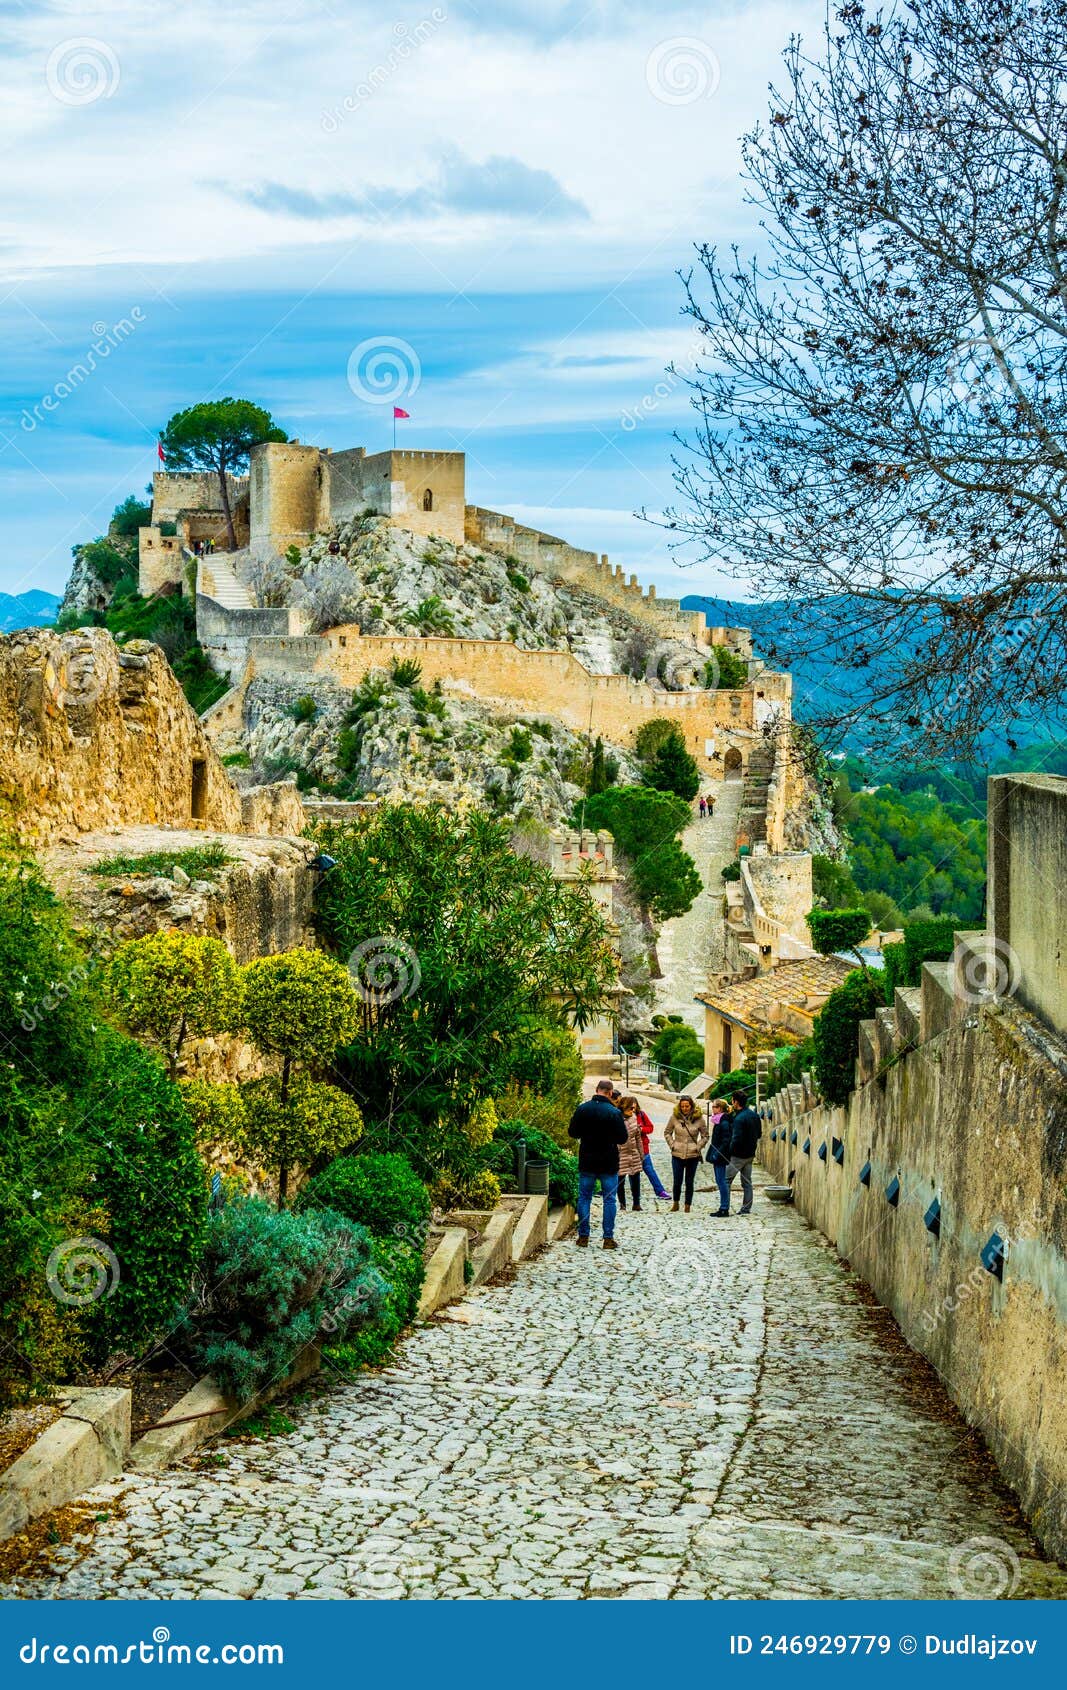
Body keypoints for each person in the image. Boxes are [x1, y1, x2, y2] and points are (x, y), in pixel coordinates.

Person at [568, 1079, 627, 1249]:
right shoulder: (614, 1112)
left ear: (596, 1090)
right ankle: (608, 1238)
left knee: (584, 1197)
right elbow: (622, 1138)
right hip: (608, 1161)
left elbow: (573, 1132)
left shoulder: (583, 1109)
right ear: (610, 1092)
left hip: (587, 1159)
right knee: (609, 1200)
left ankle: (583, 1236)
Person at [663, 1095, 708, 1212]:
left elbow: (705, 1136)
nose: (684, 1108)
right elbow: (667, 1132)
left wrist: (698, 1146)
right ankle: (676, 1203)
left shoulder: (699, 1119)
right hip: (677, 1153)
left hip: (693, 1154)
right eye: (682, 1106)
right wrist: (672, 1144)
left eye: (687, 1106)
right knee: (677, 1180)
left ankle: (688, 1205)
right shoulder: (674, 1117)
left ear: (691, 1106)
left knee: (689, 1181)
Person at [721, 1089, 762, 1216]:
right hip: (750, 1154)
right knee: (747, 1182)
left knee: (726, 1180)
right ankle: (746, 1208)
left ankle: (725, 1207)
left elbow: (736, 1138)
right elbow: (759, 1134)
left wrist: (729, 1152)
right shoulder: (754, 1115)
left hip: (738, 1155)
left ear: (735, 1102)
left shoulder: (739, 1118)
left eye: (732, 1100)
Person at [632, 1097, 671, 1202]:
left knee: (649, 1170)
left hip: (643, 1149)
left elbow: (650, 1127)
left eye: (634, 1104)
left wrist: (642, 1129)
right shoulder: (622, 1116)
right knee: (625, 1173)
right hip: (629, 1149)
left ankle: (660, 1191)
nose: (633, 1107)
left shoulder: (641, 1115)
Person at [615, 1096, 646, 1210]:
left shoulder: (634, 1118)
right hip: (620, 1154)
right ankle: (622, 1205)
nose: (633, 1110)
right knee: (620, 1182)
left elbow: (638, 1137)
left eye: (633, 1108)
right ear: (624, 1107)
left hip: (633, 1154)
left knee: (635, 1180)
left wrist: (641, 1153)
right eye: (630, 1108)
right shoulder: (616, 1118)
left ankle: (636, 1204)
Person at [706, 1098, 733, 1216]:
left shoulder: (724, 1122)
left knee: (722, 1181)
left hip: (721, 1156)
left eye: (714, 1107)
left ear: (720, 1108)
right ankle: (723, 1206)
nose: (712, 1109)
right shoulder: (719, 1121)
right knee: (719, 1180)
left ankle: (724, 1207)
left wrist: (718, 1153)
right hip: (717, 1154)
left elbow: (726, 1139)